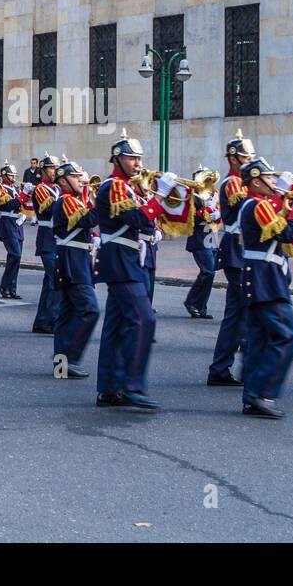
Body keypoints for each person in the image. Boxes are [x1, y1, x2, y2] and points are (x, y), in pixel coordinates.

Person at [234, 157, 293, 418]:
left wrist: (285, 197)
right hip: (265, 279)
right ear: (255, 181)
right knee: (287, 335)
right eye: (269, 178)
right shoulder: (257, 204)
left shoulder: (258, 204)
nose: (274, 182)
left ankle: (253, 396)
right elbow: (286, 233)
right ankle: (263, 393)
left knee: (261, 338)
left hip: (261, 276)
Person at [94, 131, 167, 410]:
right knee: (143, 318)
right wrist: (159, 198)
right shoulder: (115, 186)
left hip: (127, 258)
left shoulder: (129, 187)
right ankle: (132, 385)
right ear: (117, 159)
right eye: (131, 158)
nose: (137, 163)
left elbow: (146, 223)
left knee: (117, 325)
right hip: (121, 260)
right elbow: (135, 218)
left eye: (139, 158)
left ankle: (109, 388)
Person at [208, 131, 256, 386]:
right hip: (236, 249)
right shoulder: (233, 183)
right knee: (248, 310)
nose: (249, 162)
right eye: (246, 157)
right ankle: (247, 367)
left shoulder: (243, 180)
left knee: (236, 314)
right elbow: (251, 208)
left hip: (241, 249)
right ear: (234, 158)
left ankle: (220, 368)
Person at [51, 161, 102, 378]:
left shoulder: (75, 199)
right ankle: (70, 358)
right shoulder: (66, 200)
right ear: (63, 181)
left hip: (76, 258)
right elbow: (89, 219)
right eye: (75, 177)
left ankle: (61, 366)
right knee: (90, 309)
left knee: (67, 313)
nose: (81, 180)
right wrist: (104, 201)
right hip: (72, 261)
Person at [184, 166, 221, 319]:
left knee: (209, 273)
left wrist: (218, 213)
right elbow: (190, 216)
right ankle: (192, 302)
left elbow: (220, 214)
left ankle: (200, 306)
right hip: (198, 238)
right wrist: (206, 212)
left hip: (212, 237)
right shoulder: (192, 195)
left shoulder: (214, 194)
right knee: (208, 271)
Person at [30, 154, 61, 334]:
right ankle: (53, 321)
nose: (54, 171)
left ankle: (42, 321)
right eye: (51, 168)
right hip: (47, 239)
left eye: (56, 168)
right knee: (56, 280)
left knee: (49, 282)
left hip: (56, 239)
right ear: (43, 171)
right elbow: (52, 209)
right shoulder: (41, 189)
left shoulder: (57, 189)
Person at [0, 164, 25, 299]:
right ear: (4, 175)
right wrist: (23, 196)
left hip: (18, 224)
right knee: (15, 254)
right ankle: (4, 285)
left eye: (14, 175)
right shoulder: (0, 189)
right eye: (11, 175)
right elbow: (6, 206)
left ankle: (12, 288)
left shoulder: (15, 188)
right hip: (8, 223)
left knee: (16, 259)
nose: (13, 178)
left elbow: (21, 204)